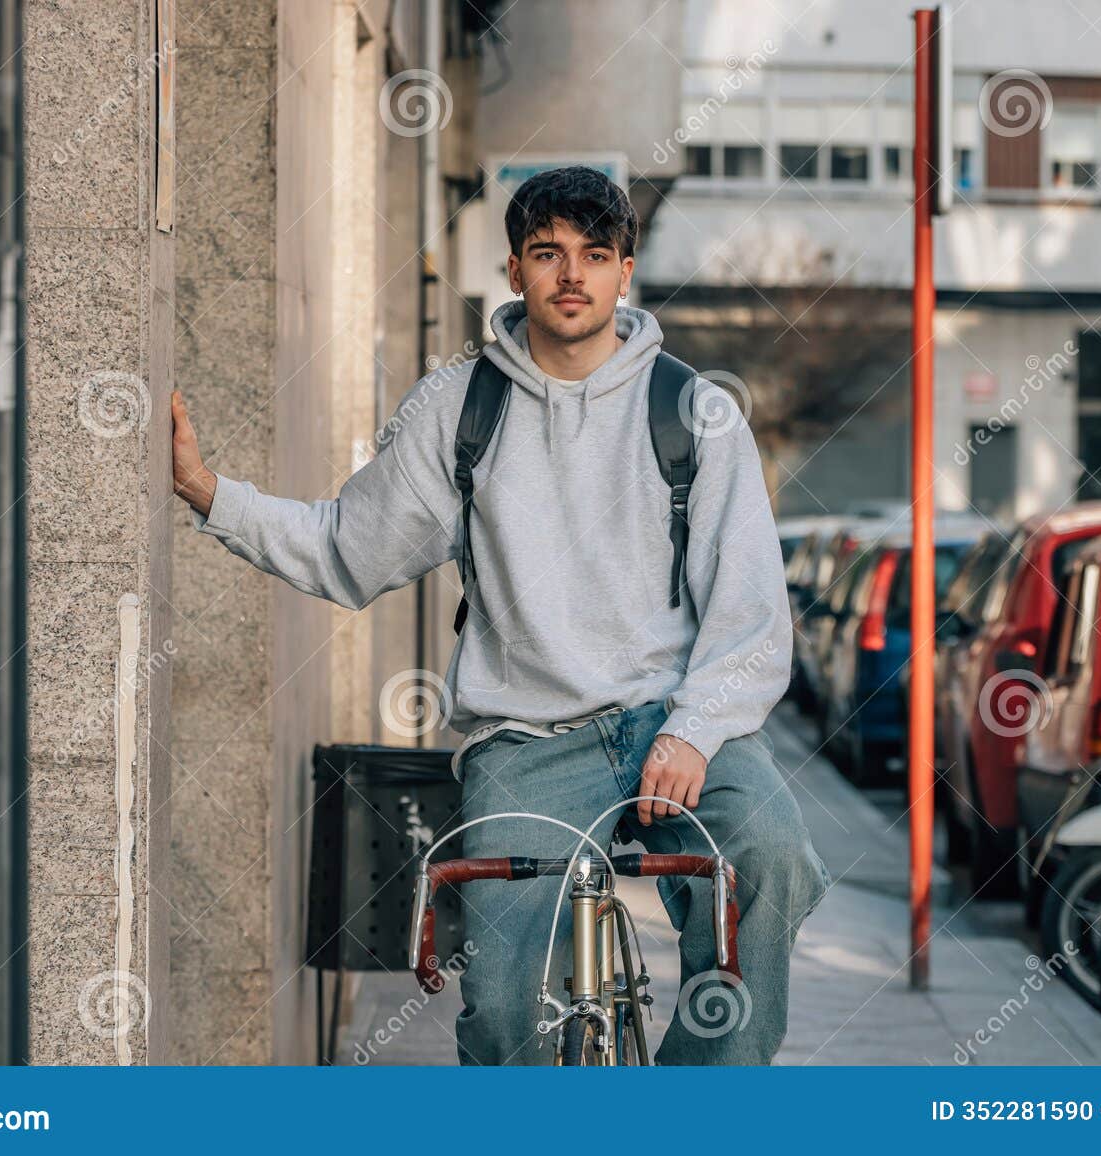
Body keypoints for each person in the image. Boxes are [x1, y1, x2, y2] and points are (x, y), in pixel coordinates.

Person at [172, 165, 829, 1065]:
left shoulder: (696, 412)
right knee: (501, 1013)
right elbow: (344, 550)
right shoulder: (459, 408)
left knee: (772, 856)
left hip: (675, 727)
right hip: (525, 740)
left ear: (625, 273)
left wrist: (698, 729)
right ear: (515, 270)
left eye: (595, 256)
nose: (572, 275)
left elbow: (752, 614)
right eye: (547, 253)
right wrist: (214, 497)